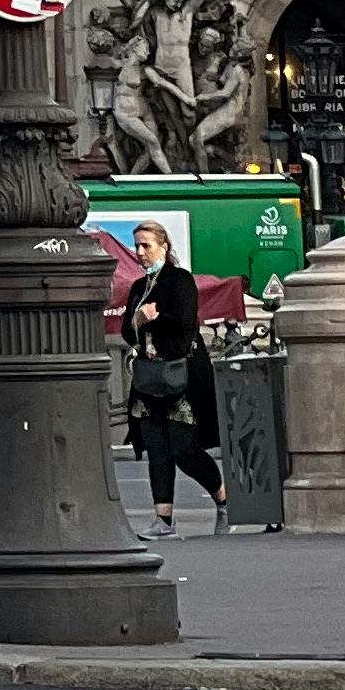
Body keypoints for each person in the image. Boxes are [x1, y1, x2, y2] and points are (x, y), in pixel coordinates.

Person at [122, 221, 226, 532]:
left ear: (164, 248)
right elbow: (129, 331)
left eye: (146, 246)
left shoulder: (180, 280)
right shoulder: (139, 288)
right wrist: (139, 319)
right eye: (137, 246)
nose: (140, 252)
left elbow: (183, 322)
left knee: (184, 449)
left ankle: (223, 500)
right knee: (156, 448)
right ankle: (163, 519)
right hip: (149, 379)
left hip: (181, 377)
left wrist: (152, 320)